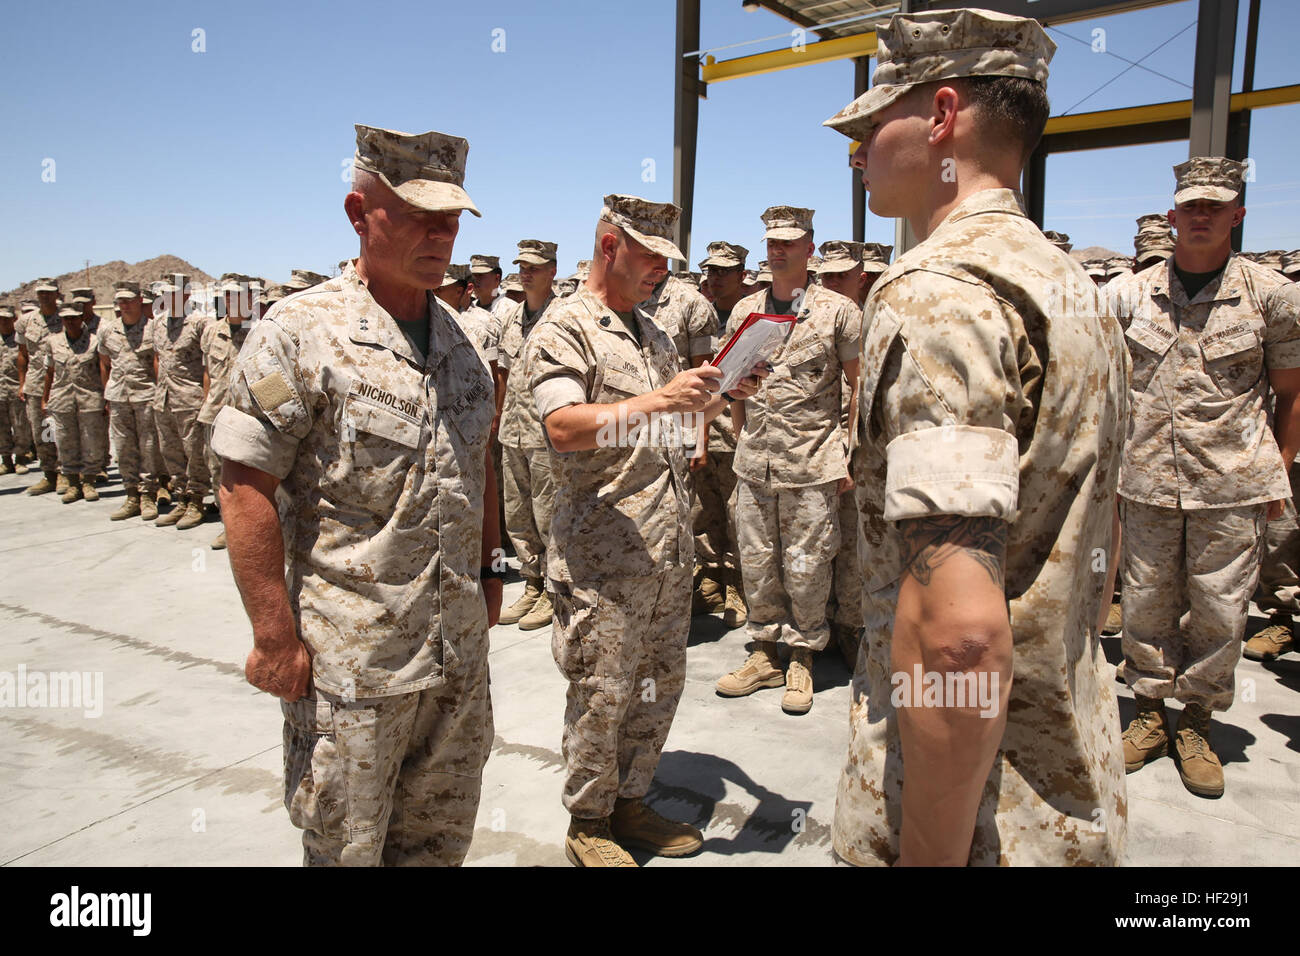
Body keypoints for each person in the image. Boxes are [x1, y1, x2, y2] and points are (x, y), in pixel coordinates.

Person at [823, 6, 1127, 865]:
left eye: (876, 123)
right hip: (1066, 788)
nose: (860, 152)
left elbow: (956, 637)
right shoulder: (1068, 285)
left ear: (943, 116)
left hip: (970, 820)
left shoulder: (938, 294)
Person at [212, 124, 500, 866]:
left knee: (438, 843)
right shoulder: (301, 332)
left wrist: (493, 569)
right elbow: (244, 483)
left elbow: (480, 468)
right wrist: (273, 635)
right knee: (347, 848)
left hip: (454, 656)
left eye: (451, 219)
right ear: (358, 211)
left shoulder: (462, 343)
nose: (440, 235)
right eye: (417, 215)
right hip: (355, 668)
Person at [525, 193, 766, 866]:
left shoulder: (652, 332)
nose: (661, 271)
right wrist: (659, 399)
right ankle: (589, 823)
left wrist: (725, 393)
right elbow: (563, 428)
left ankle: (631, 802)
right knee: (602, 694)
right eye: (650, 257)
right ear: (610, 248)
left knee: (656, 688)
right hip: (602, 558)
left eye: (667, 260)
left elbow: (669, 425)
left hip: (663, 551)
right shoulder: (566, 327)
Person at [1111, 156, 1300, 798]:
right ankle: (1147, 715)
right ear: (1171, 216)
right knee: (1144, 601)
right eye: (1190, 206)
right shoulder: (1131, 294)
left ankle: (1194, 721)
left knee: (1220, 610)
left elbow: (1290, 394)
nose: (1200, 216)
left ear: (1237, 216)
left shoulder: (1272, 295)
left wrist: (1278, 478)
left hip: (1233, 483)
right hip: (1146, 482)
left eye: (1214, 207)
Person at [714, 206, 862, 716]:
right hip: (755, 460)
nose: (778, 249)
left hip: (813, 461)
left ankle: (802, 655)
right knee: (756, 562)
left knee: (807, 563)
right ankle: (764, 653)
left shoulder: (838, 311)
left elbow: (858, 385)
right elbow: (732, 385)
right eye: (772, 241)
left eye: (789, 242)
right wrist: (739, 439)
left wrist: (849, 451)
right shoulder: (745, 313)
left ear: (809, 248)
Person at [816, 240, 891, 669]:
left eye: (839, 276)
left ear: (859, 278)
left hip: (864, 449)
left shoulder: (876, 318)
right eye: (825, 275)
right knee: (828, 540)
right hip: (825, 447)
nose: (829, 283)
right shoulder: (818, 319)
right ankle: (825, 621)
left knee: (859, 542)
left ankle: (851, 626)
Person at [496, 239, 561, 630]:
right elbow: (503, 372)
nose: (526, 272)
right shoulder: (510, 317)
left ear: (553, 270)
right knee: (518, 514)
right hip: (513, 431)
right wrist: (498, 415)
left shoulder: (562, 317)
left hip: (546, 435)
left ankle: (555, 589)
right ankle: (533, 582)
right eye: (522, 266)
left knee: (549, 513)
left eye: (535, 266)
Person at [693, 241, 750, 628]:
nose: (714, 278)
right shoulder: (701, 315)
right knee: (702, 510)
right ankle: (711, 575)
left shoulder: (749, 317)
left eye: (723, 271)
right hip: (698, 428)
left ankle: (737, 585)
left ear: (742, 274)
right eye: (711, 271)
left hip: (731, 430)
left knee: (735, 514)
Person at [198, 275, 256, 548]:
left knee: (251, 474)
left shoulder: (259, 330)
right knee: (216, 472)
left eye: (237, 296)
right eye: (228, 296)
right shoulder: (211, 331)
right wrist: (206, 401)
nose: (232, 301)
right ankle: (228, 526)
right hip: (215, 413)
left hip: (247, 416)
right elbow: (207, 371)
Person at [98, 280, 160, 520]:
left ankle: (148, 496)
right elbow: (104, 363)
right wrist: (107, 394)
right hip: (118, 398)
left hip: (146, 397)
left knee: (148, 448)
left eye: (128, 300)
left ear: (139, 301)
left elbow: (158, 362)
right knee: (123, 449)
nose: (123, 305)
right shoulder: (107, 330)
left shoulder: (153, 329)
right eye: (119, 301)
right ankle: (132, 495)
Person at [151, 272, 209, 530]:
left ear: (187, 294)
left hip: (190, 399)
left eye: (173, 292)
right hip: (163, 400)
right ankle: (182, 499)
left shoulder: (199, 323)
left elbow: (208, 365)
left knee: (195, 453)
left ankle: (197, 501)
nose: (168, 297)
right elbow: (157, 358)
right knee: (170, 451)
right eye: (165, 293)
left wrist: (207, 400)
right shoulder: (157, 323)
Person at [41, 304, 106, 503]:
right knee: (65, 442)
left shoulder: (94, 342)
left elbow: (103, 369)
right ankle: (72, 484)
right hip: (62, 399)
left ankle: (88, 482)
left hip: (89, 399)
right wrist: (45, 399)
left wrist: (105, 398)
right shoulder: (53, 342)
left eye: (74, 318)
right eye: (66, 318)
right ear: (61, 320)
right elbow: (49, 372)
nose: (70, 322)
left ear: (81, 319)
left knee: (92, 443)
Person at [17, 278, 64, 495]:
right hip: (35, 384)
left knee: (63, 432)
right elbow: (22, 355)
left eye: (49, 292)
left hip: (61, 383)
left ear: (57, 294)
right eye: (41, 293)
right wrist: (21, 383)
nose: (44, 296)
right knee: (42, 433)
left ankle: (66, 473)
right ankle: (50, 474)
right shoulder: (26, 321)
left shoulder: (66, 318)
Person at [0, 304, 32, 475]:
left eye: (6, 318)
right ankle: (6, 460)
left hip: (15, 390)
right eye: (0, 319)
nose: (3, 322)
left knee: (20, 426)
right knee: (1, 428)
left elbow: (27, 363)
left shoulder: (21, 341)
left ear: (14, 319)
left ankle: (20, 458)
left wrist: (24, 385)